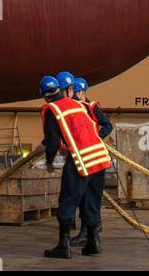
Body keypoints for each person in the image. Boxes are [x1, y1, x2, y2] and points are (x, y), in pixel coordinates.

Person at [40, 74, 110, 258]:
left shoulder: (51, 109)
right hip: (100, 158)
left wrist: (49, 162)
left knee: (68, 200)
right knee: (91, 201)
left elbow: (53, 142)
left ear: (44, 95)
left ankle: (64, 245)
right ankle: (93, 243)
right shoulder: (78, 104)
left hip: (80, 160)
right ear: (62, 90)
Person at [69, 77, 112, 247]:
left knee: (88, 196)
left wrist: (96, 139)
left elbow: (107, 125)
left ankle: (88, 233)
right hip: (82, 156)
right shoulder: (75, 108)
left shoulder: (90, 107)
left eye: (76, 92)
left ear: (82, 92)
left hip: (92, 157)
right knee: (87, 197)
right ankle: (91, 231)